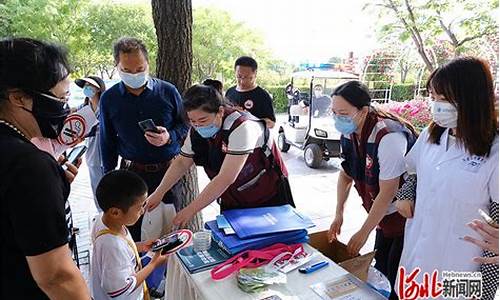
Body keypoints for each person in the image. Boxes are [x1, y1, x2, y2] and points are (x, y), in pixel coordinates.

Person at [397, 57, 498, 299]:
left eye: (443, 99)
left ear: (471, 99)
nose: (436, 106)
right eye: (433, 98)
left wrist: (486, 287)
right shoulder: (431, 136)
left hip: (462, 268)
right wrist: (406, 193)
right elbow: (413, 170)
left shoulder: (494, 150)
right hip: (417, 258)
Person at [0, 38, 89, 299]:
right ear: (19, 98)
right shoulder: (28, 164)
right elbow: (57, 277)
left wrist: (53, 192)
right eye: (60, 99)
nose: (66, 109)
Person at [147, 84, 294, 227]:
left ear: (220, 112)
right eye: (193, 121)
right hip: (232, 199)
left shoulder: (243, 127)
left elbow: (225, 178)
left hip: (267, 196)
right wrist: (159, 192)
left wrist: (190, 210)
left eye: (203, 120)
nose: (198, 126)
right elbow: (182, 162)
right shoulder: (196, 131)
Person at [326, 80, 417, 299]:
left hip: (405, 216)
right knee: (380, 268)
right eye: (334, 112)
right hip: (382, 215)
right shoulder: (350, 132)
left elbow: (388, 192)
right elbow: (346, 174)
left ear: (363, 110)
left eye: (343, 113)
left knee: (396, 274)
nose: (338, 118)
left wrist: (364, 231)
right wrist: (339, 212)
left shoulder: (388, 137)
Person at [99, 37, 189, 241]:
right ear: (117, 67)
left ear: (148, 64)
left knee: (172, 233)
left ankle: (169, 272)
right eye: (128, 71)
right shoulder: (109, 99)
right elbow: (107, 141)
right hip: (132, 174)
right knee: (136, 235)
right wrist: (109, 179)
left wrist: (169, 137)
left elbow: (186, 125)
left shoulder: (168, 91)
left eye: (140, 68)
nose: (134, 74)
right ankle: (141, 272)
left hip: (169, 173)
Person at [91, 170, 168, 300]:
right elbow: (119, 290)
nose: (143, 211)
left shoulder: (103, 221)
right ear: (115, 212)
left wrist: (141, 246)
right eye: (139, 207)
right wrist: (153, 265)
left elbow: (123, 247)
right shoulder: (112, 246)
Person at [75, 76, 106, 210]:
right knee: (96, 185)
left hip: (106, 150)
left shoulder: (106, 106)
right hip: (92, 153)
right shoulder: (82, 108)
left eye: (90, 85)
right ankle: (101, 214)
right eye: (85, 85)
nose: (87, 88)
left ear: (98, 88)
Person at [225, 56, 276, 128]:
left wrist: (250, 121)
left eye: (247, 77)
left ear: (255, 74)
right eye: (239, 77)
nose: (242, 81)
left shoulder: (263, 95)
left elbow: (271, 123)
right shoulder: (230, 92)